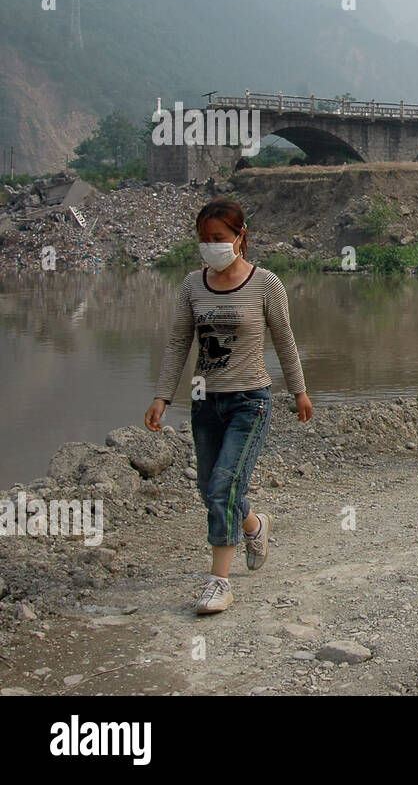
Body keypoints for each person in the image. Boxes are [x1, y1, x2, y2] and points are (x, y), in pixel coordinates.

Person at [146, 198, 312, 615]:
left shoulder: (266, 284)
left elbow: (284, 341)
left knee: (223, 486)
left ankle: (218, 582)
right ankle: (255, 524)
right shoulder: (191, 285)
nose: (210, 246)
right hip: (204, 401)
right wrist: (162, 396)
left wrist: (299, 391)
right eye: (203, 239)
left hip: (250, 400)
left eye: (218, 238)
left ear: (241, 236)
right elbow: (178, 344)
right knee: (209, 487)